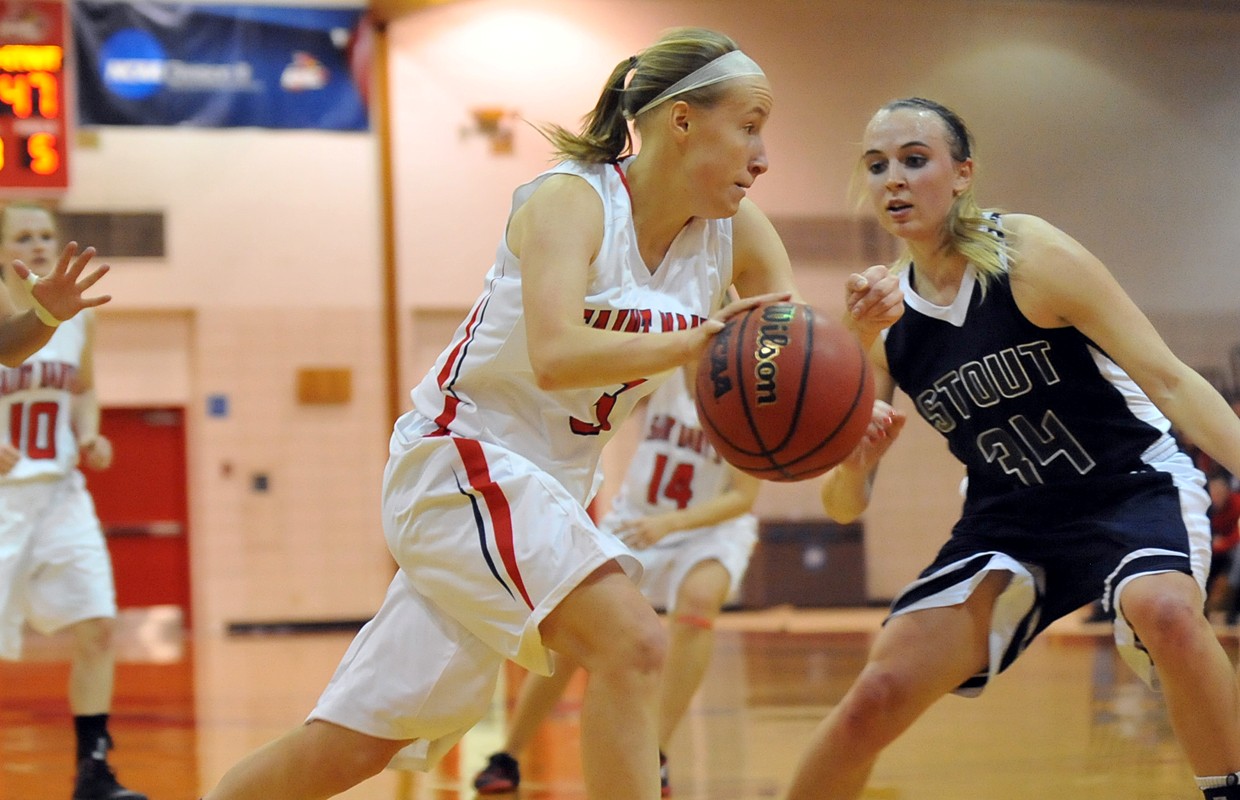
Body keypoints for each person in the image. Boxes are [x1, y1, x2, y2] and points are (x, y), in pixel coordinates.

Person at [202, 27, 812, 800]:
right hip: (460, 458)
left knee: (350, 747)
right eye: (750, 126)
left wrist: (860, 345)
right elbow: (556, 350)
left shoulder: (737, 234)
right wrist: (692, 343)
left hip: (541, 493)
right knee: (632, 644)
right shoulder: (572, 199)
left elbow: (790, 360)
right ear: (682, 120)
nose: (764, 155)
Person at [784, 97, 1240, 800]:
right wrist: (859, 458)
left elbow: (1172, 382)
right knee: (875, 695)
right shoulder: (882, 320)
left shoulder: (1030, 254)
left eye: (914, 159)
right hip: (1008, 519)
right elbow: (846, 505)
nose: (893, 180)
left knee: (1168, 611)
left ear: (962, 174)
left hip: (1129, 485)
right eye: (876, 166)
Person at [471, 366, 761, 796]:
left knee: (699, 602)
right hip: (639, 519)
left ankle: (655, 750)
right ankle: (508, 754)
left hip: (708, 528)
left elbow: (743, 497)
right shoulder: (673, 368)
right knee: (586, 626)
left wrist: (673, 524)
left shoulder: (752, 402)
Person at [0, 202, 139, 800]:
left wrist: (88, 432)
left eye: (46, 235)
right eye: (23, 236)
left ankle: (94, 769)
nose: (36, 244)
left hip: (59, 492)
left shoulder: (75, 315)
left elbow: (83, 387)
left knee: (99, 626)